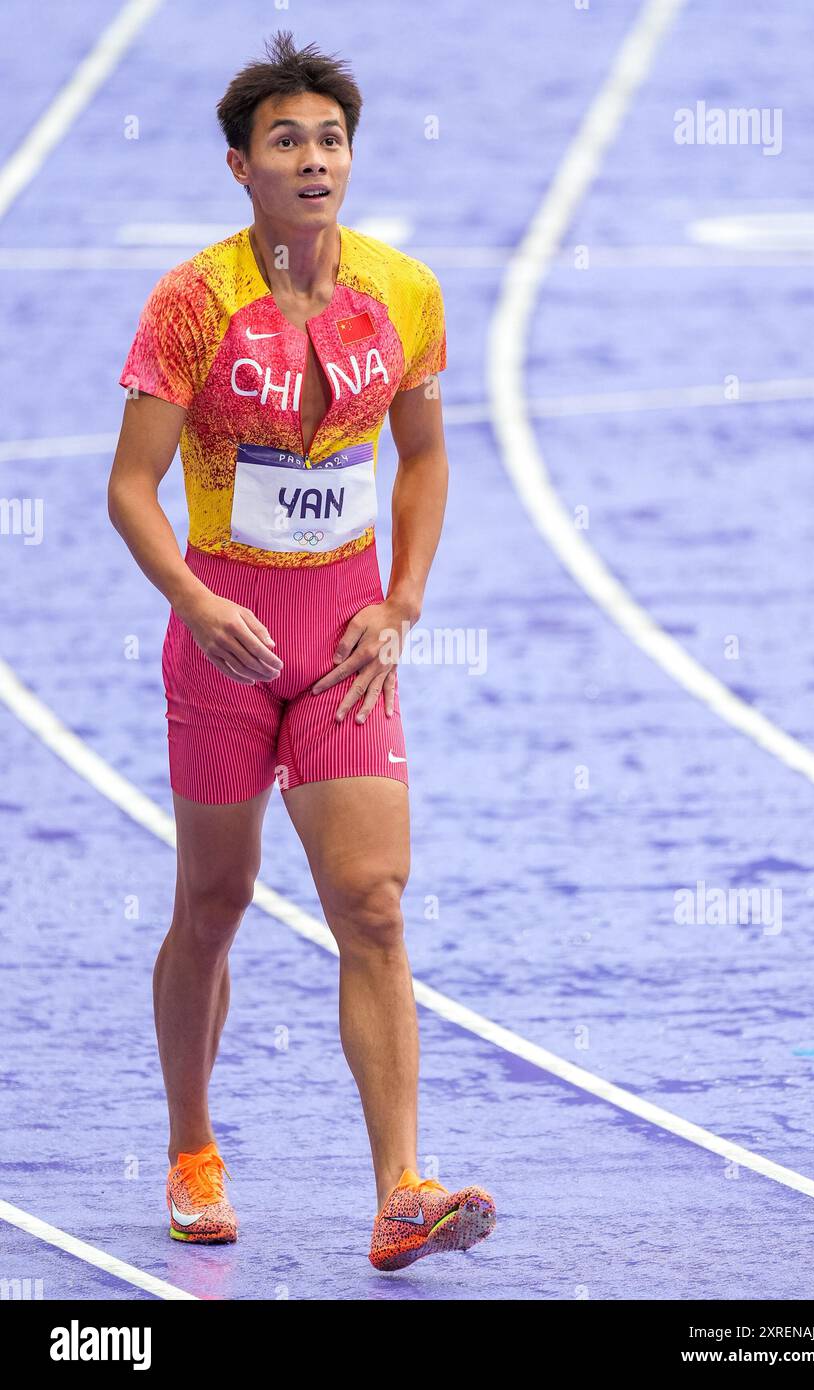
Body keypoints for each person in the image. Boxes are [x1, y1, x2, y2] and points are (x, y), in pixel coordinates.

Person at [107, 29, 495, 1272]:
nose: (314, 159)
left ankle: (399, 1191)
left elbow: (425, 456)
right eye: (287, 140)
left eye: (330, 139)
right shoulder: (192, 302)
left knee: (372, 908)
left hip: (344, 638)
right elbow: (129, 487)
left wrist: (405, 600)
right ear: (240, 167)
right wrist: (190, 600)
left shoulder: (404, 291)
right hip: (223, 635)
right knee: (212, 904)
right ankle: (190, 1148)